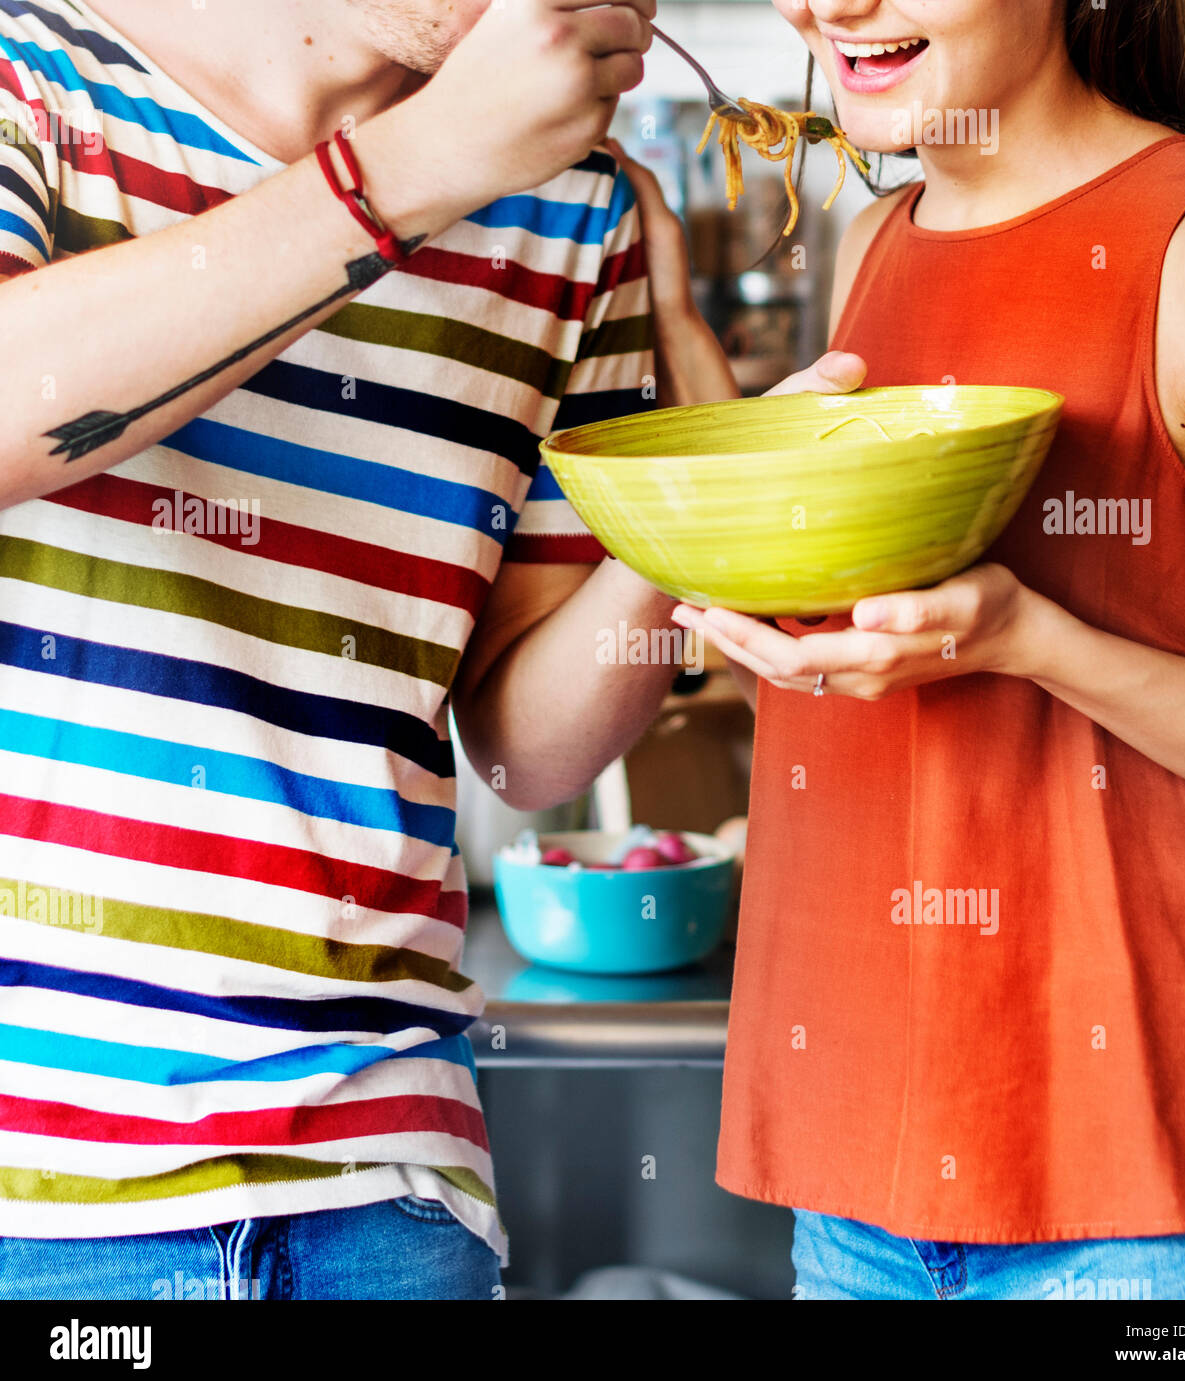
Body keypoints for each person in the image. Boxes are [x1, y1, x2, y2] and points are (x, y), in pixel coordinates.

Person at [0, 0, 852, 1300]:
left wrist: (699, 516)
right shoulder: (33, 80)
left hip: (386, 1184)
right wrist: (421, 165)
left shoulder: (573, 206)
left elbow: (521, 737)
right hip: (37, 1190)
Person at [634, 0, 1185, 1299]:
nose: (832, 7)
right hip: (863, 1186)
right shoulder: (870, 239)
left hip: (1160, 1207)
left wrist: (1038, 641)